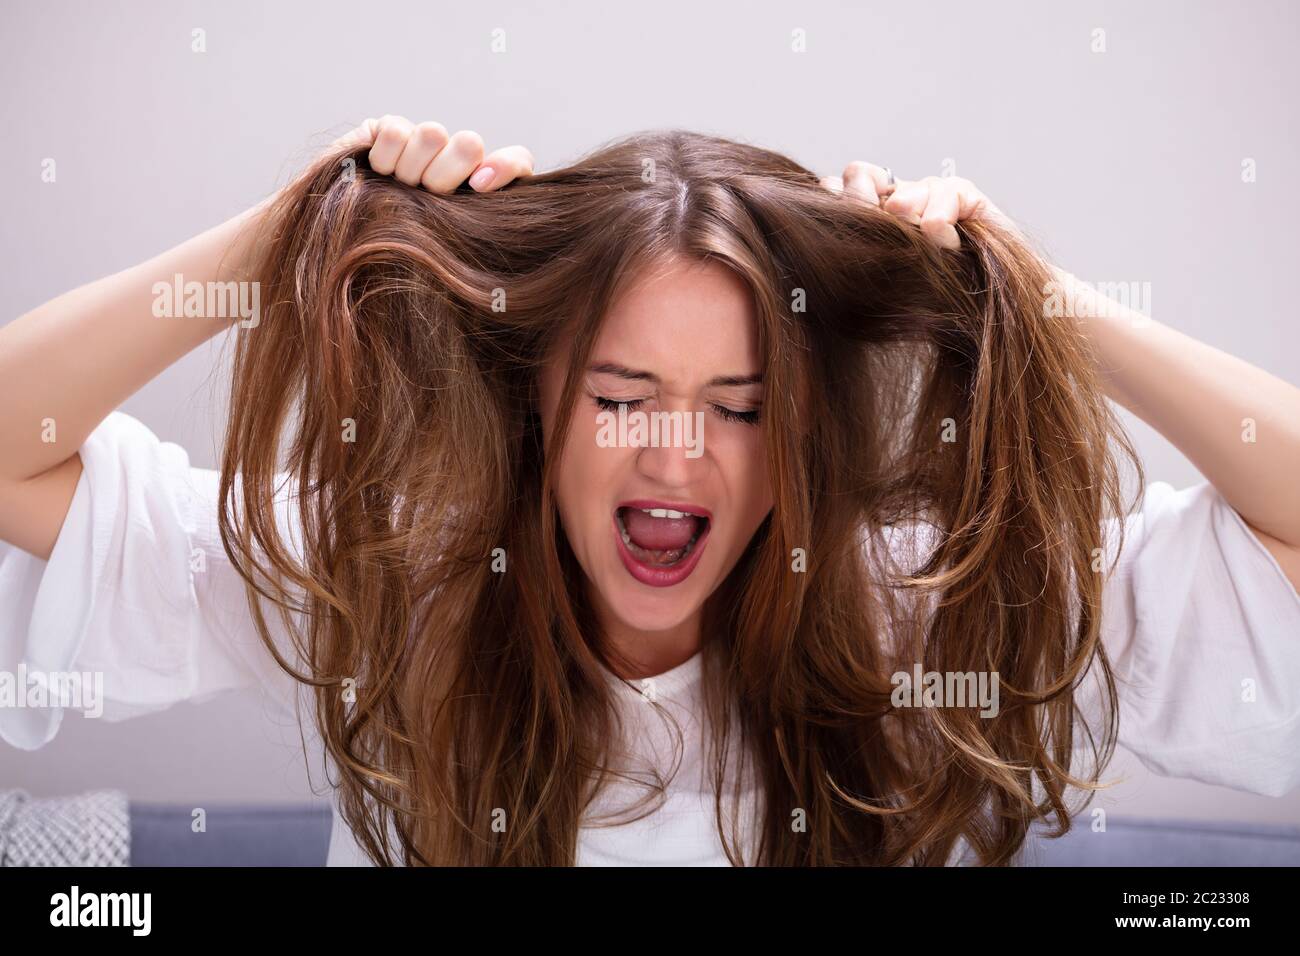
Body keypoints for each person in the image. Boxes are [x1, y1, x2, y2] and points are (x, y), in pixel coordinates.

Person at [2, 117, 1298, 866]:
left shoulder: (918, 613)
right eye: (623, 394)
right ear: (537, 410)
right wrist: (288, 226)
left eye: (740, 408)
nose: (678, 454)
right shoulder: (409, 579)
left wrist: (1026, 288)